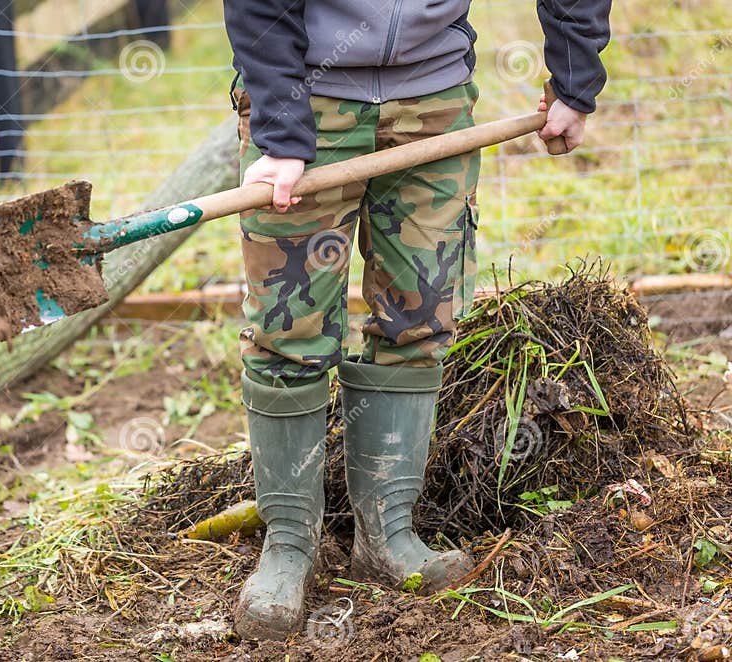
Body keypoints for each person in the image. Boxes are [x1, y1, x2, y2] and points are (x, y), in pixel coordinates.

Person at [223, 0, 611, 640]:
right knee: (287, 328)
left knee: (421, 320)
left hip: (434, 100)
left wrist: (574, 77)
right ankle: (290, 546)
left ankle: (388, 534)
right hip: (307, 94)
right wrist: (283, 131)